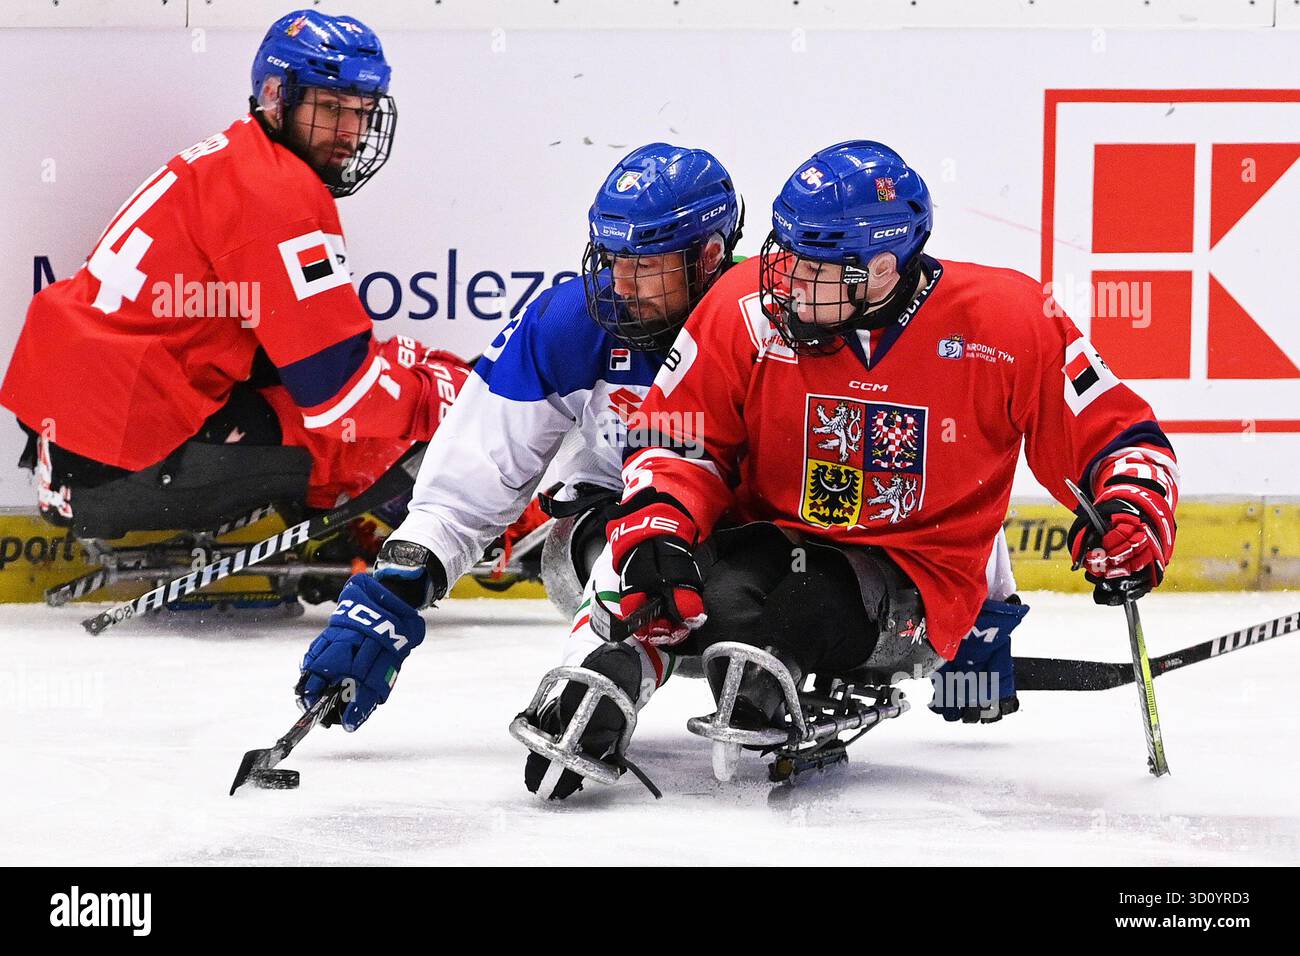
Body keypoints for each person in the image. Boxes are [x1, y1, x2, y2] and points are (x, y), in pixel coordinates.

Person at [517, 140, 1180, 798]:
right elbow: (679, 434)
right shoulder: (747, 307)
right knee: (688, 577)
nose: (786, 282)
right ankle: (612, 674)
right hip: (774, 541)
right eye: (787, 255)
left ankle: (767, 666)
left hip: (911, 578)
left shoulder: (1009, 323)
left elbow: (1116, 432)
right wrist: (663, 523)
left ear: (885, 268)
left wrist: (1130, 511)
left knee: (811, 601)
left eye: (816, 269)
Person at [294, 143, 744, 732]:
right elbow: (472, 478)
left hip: (745, 555)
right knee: (588, 544)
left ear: (708, 256)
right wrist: (396, 586)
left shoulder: (766, 322)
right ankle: (603, 675)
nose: (621, 282)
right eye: (612, 257)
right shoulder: (567, 323)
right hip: (618, 543)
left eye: (646, 263)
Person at [0, 9, 469, 542]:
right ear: (275, 95)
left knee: (361, 379)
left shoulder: (233, 156)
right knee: (360, 427)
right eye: (332, 108)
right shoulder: (279, 194)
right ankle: (463, 526)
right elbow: (341, 397)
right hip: (117, 468)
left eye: (362, 113)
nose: (349, 132)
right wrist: (449, 404)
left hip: (73, 439)